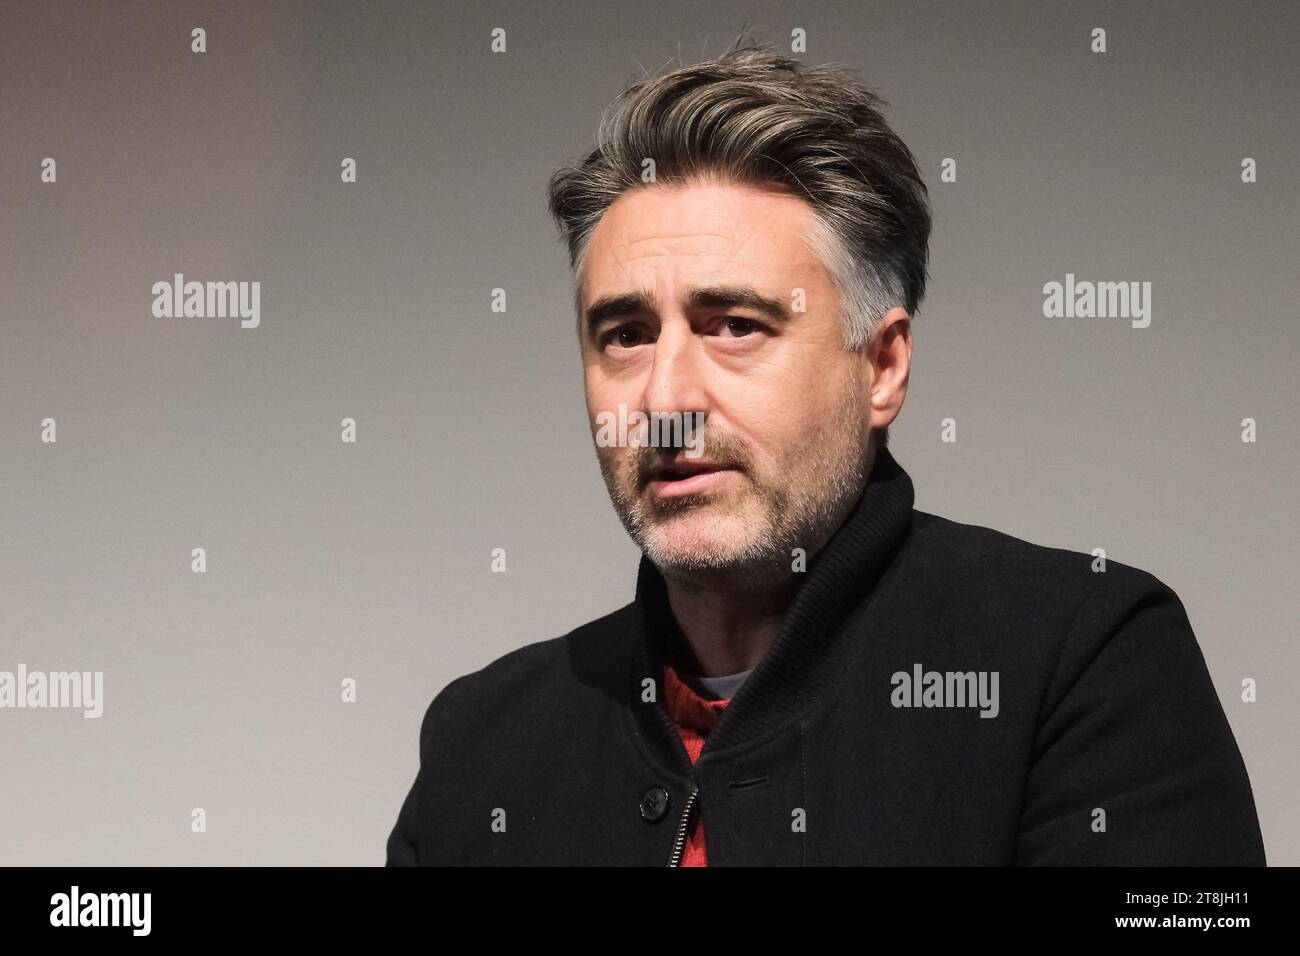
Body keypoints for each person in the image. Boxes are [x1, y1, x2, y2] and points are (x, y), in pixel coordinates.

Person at [386, 44, 1265, 866]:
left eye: (735, 326)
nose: (663, 402)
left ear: (881, 366)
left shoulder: (1083, 662)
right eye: (624, 335)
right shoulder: (484, 743)